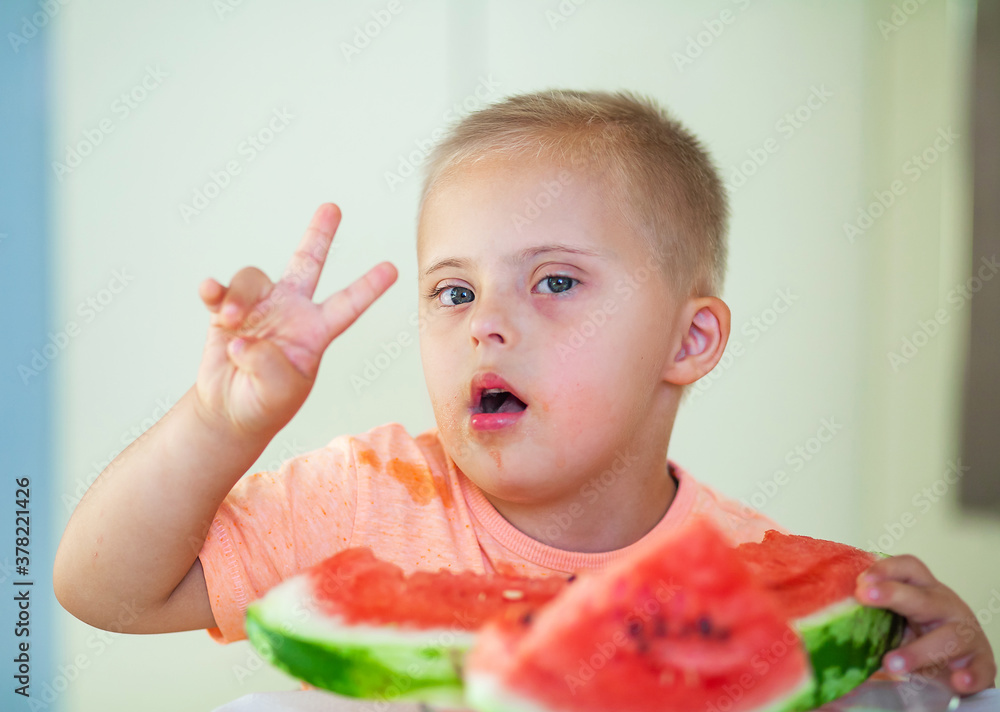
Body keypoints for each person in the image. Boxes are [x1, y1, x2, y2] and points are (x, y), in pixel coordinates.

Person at [53, 89, 996, 695]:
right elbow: (104, 592)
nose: (485, 324)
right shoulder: (363, 496)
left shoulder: (755, 581)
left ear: (690, 338)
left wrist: (939, 668)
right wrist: (219, 423)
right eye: (454, 292)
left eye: (553, 282)